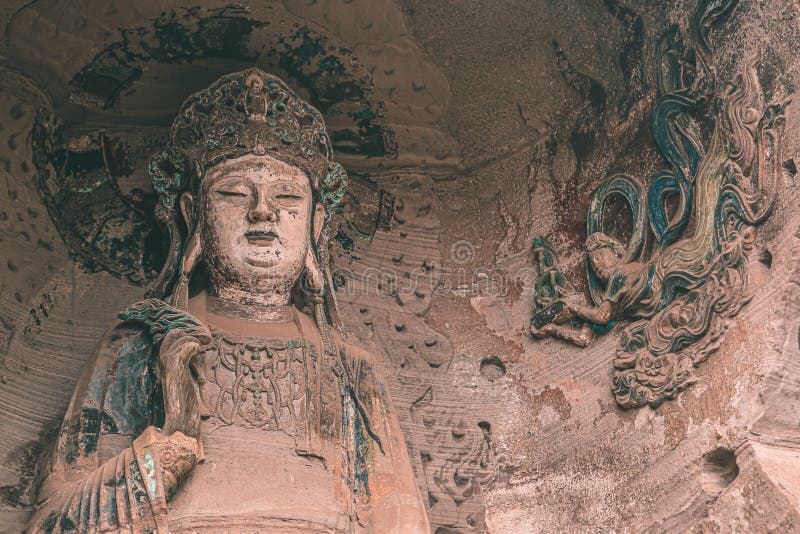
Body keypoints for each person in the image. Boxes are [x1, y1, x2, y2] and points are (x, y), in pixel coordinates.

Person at [26, 68, 430, 533]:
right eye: (235, 192)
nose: (263, 210)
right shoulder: (141, 348)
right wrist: (170, 444)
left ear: (316, 224)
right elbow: (54, 524)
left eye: (286, 195)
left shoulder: (349, 370)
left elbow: (399, 520)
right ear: (192, 213)